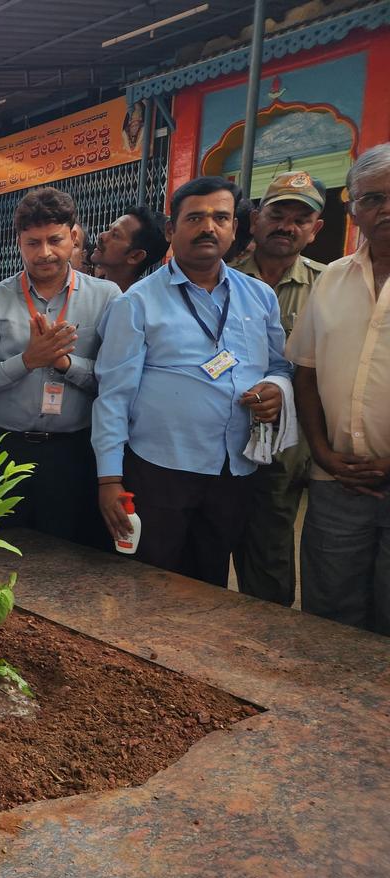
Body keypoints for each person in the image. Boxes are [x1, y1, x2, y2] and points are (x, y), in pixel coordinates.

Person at [94, 176, 292, 586]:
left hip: (233, 470)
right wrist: (110, 479)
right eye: (195, 218)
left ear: (234, 229)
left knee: (210, 584)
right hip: (160, 470)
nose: (208, 228)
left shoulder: (260, 297)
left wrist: (276, 388)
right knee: (148, 582)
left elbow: (279, 365)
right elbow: (113, 395)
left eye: (221, 218)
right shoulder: (137, 302)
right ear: (171, 230)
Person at [0, 188, 120, 549]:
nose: (45, 252)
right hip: (4, 451)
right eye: (33, 243)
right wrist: (28, 361)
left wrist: (65, 364)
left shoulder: (107, 297)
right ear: (18, 242)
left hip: (74, 453)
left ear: (74, 236)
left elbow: (115, 381)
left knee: (73, 559)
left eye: (55, 240)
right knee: (1, 555)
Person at [286, 144, 390, 634]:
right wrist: (323, 453)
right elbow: (305, 373)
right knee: (329, 619)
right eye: (372, 198)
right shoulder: (331, 279)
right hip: (336, 482)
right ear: (354, 211)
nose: (385, 209)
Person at [231, 172, 327, 606]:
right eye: (277, 215)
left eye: (300, 219)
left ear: (315, 229)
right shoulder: (221, 278)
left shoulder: (328, 285)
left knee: (269, 553)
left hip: (286, 450)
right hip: (220, 441)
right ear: (255, 220)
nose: (287, 226)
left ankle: (263, 638)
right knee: (206, 544)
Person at [91, 206, 169, 293]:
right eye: (109, 229)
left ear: (135, 256)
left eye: (115, 235)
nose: (102, 235)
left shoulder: (142, 300)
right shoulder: (86, 290)